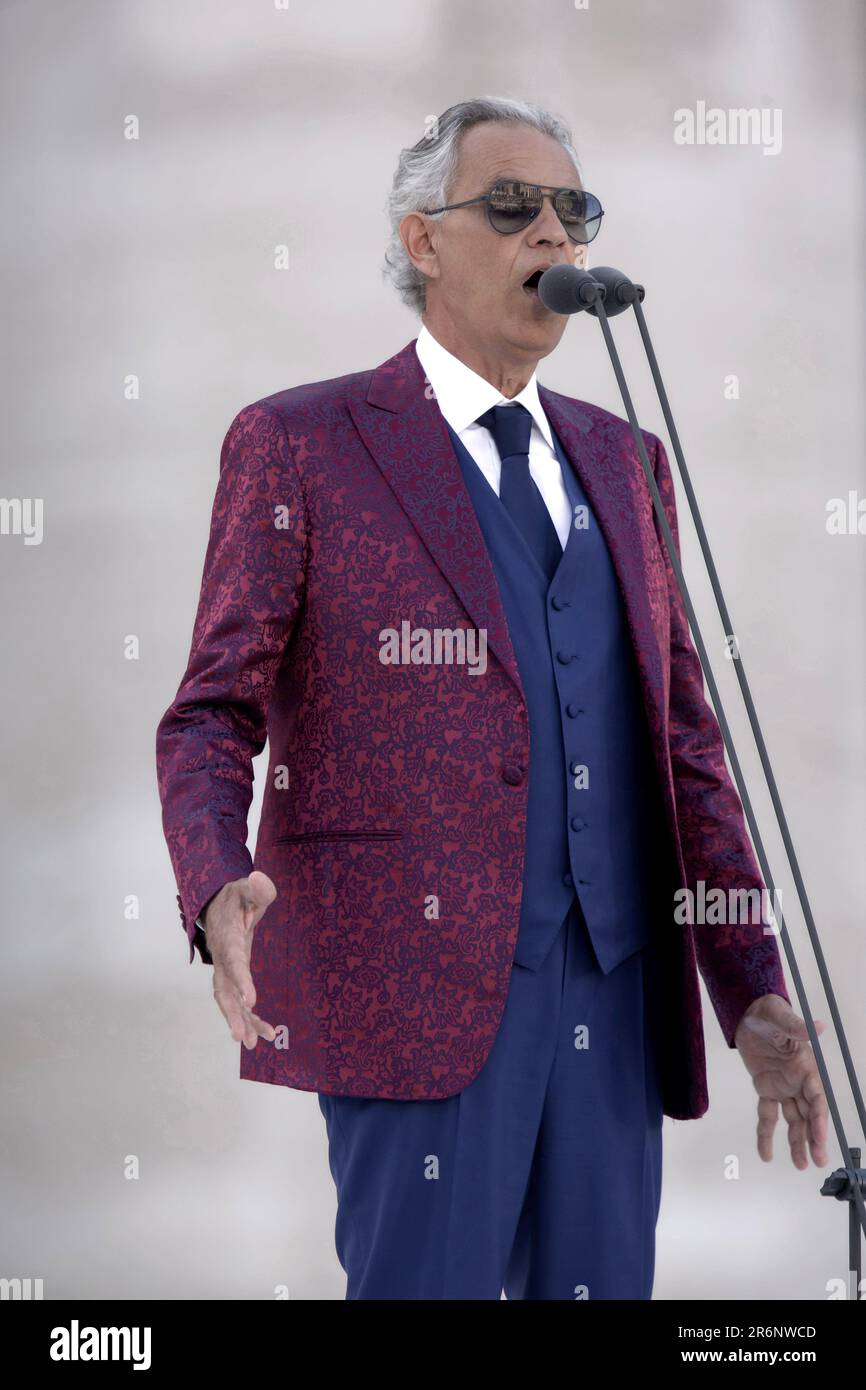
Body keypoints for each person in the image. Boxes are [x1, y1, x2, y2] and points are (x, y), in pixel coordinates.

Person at [156, 96, 828, 1300]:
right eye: (512, 207)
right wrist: (212, 880)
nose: (552, 238)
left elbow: (683, 746)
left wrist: (748, 980)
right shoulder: (300, 443)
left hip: (612, 997)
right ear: (421, 242)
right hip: (414, 993)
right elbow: (213, 707)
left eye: (573, 212)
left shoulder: (626, 461)